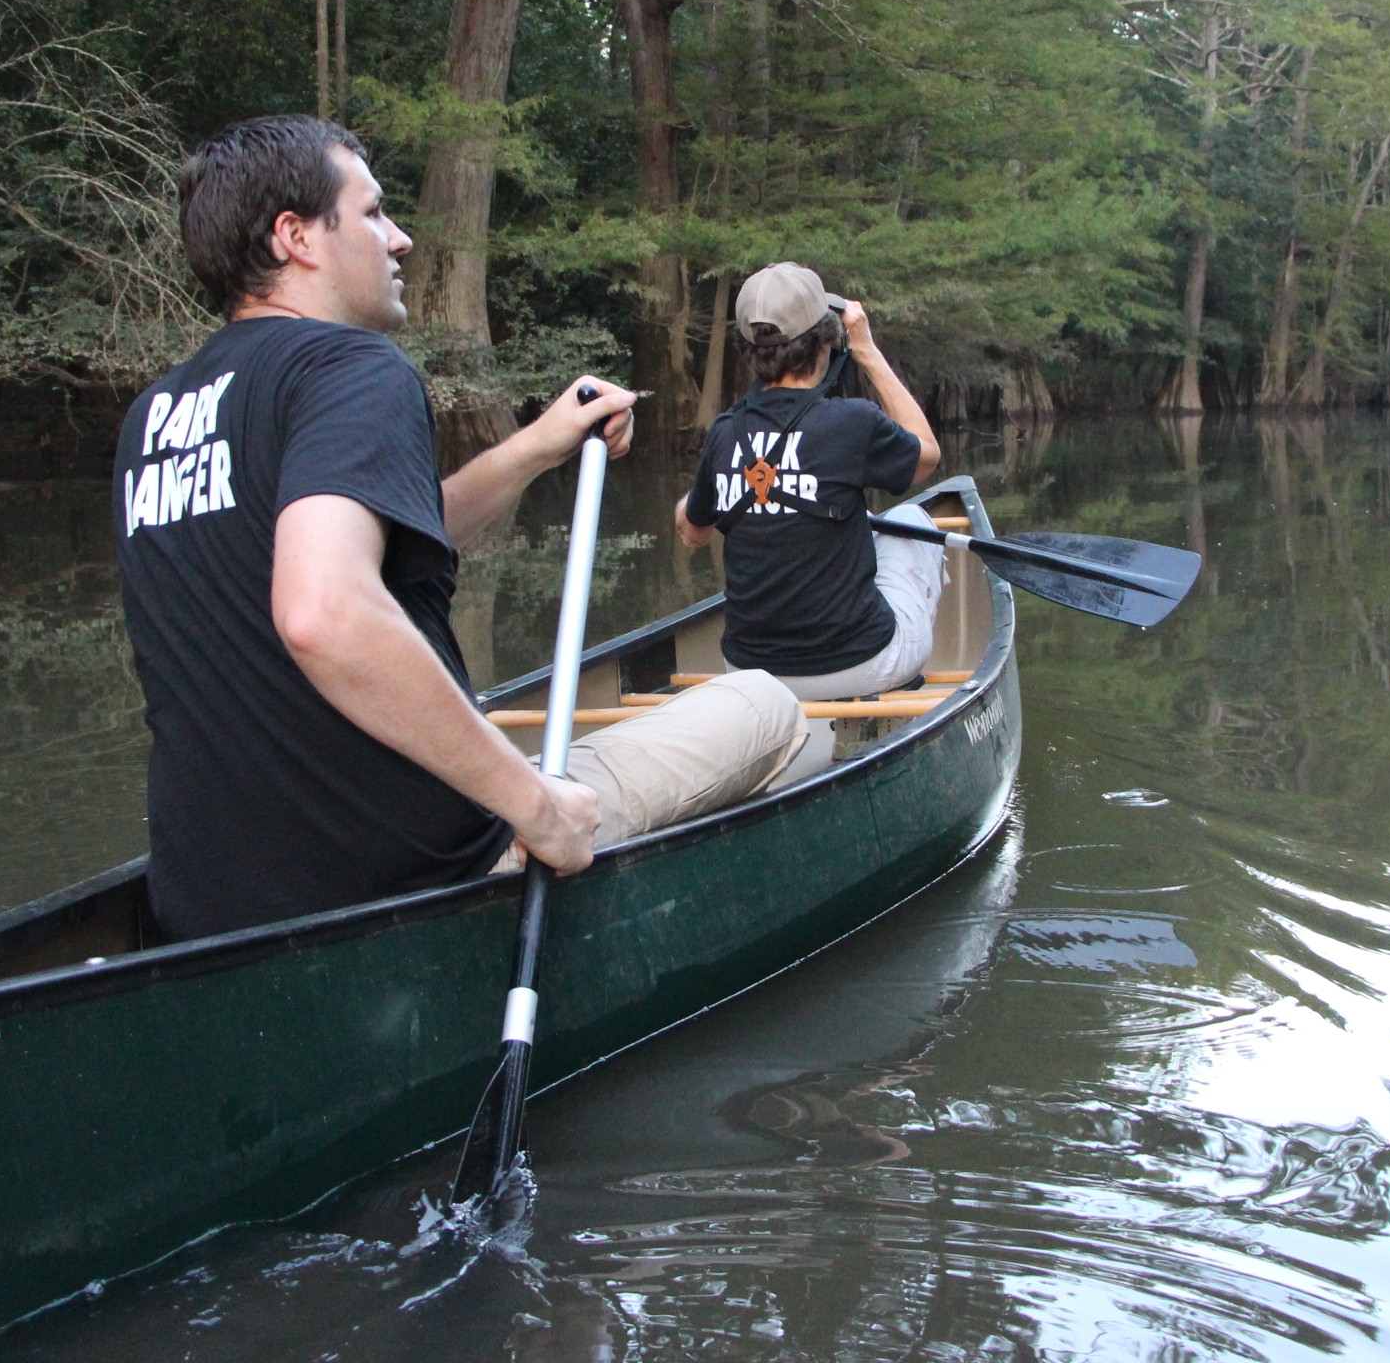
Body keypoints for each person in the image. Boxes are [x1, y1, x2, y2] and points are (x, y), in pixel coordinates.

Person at [116, 116, 805, 942]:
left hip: (211, 901)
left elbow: (374, 539)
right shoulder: (350, 367)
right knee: (774, 709)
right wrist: (533, 806)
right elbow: (325, 613)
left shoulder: (156, 415)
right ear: (296, 237)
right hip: (419, 869)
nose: (399, 238)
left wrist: (534, 450)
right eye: (372, 214)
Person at [674, 264, 945, 700]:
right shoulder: (852, 422)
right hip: (856, 664)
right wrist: (868, 352)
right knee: (913, 518)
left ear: (749, 349)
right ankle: (898, 682)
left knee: (864, 523)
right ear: (826, 340)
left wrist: (709, 489)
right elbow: (927, 455)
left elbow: (692, 531)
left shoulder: (724, 433)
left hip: (748, 672)